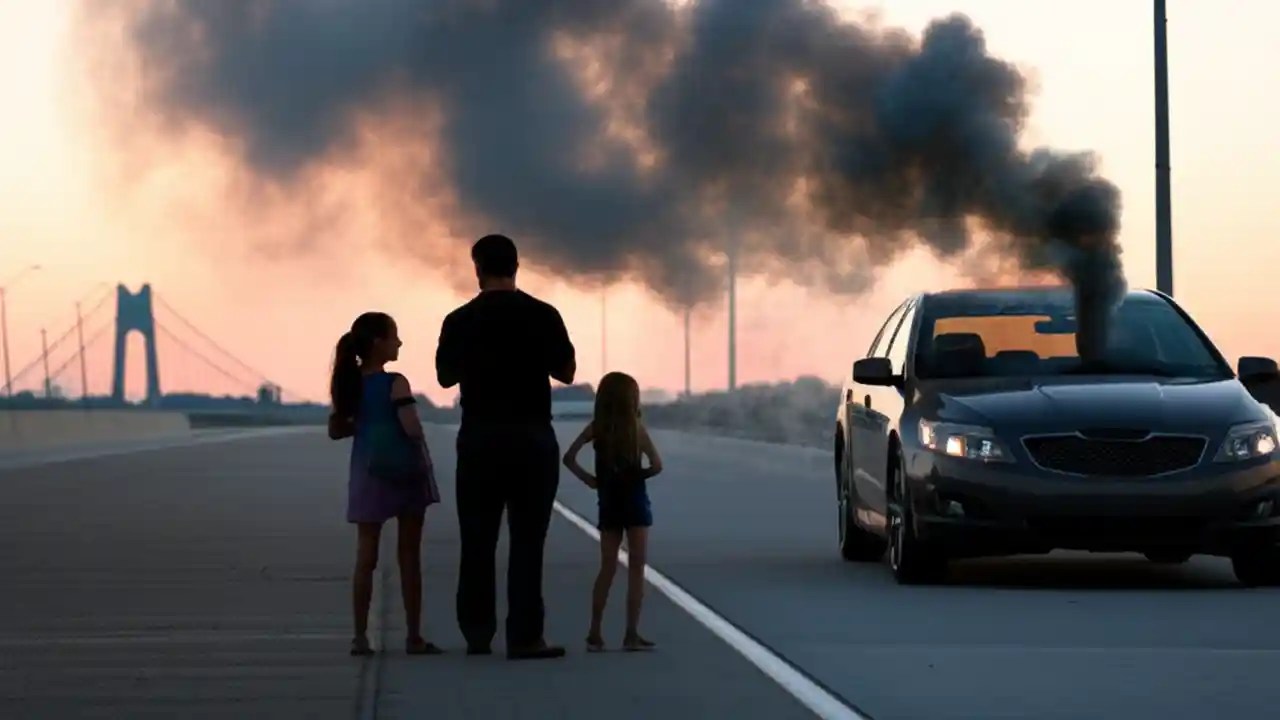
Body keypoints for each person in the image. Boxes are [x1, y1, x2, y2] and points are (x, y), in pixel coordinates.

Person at [435, 234, 577, 660]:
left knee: (477, 539)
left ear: (477, 269)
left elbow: (444, 377)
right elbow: (567, 371)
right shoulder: (543, 314)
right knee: (528, 542)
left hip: (480, 439)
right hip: (532, 439)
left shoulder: (459, 320)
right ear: (517, 266)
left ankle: (477, 632)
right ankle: (525, 636)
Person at [329, 311, 442, 657]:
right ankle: (413, 637)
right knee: (409, 556)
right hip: (404, 474)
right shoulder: (396, 382)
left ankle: (360, 637)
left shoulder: (348, 384)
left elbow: (337, 429)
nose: (399, 342)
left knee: (366, 557)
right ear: (379, 342)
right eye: (394, 336)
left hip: (368, 473)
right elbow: (410, 427)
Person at [562, 371, 663, 652]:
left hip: (608, 502)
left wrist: (592, 480)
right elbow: (657, 465)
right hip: (634, 501)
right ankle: (631, 633)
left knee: (607, 567)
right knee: (636, 568)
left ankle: (595, 632)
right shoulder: (636, 430)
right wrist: (637, 475)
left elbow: (568, 458)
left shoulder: (598, 427)